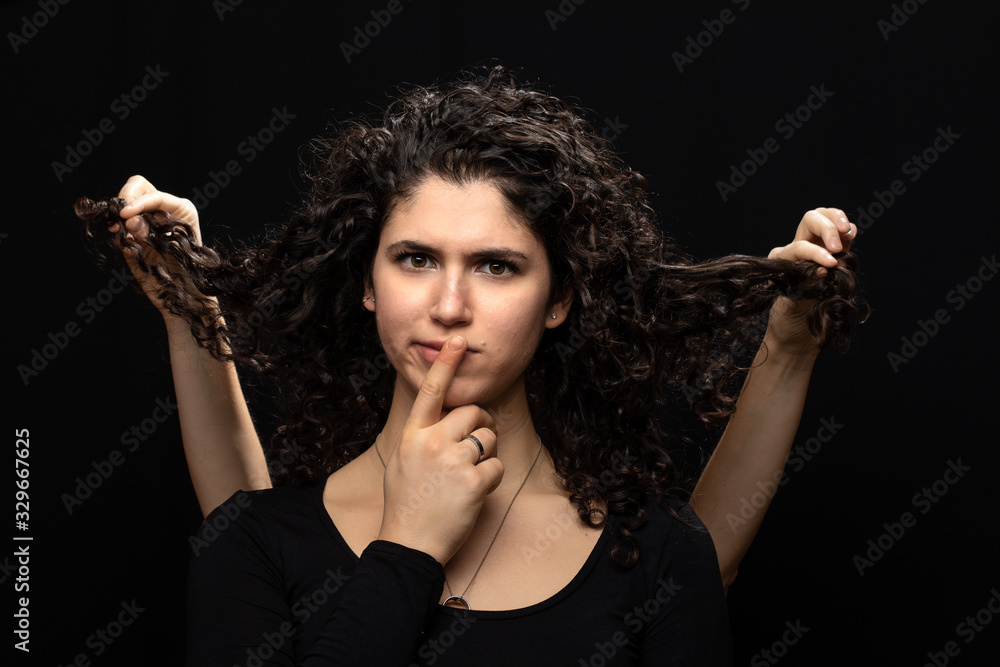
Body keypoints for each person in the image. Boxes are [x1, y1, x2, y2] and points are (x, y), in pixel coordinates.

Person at [76, 65, 862, 665]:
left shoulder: (660, 552)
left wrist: (788, 348)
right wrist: (409, 549)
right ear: (367, 284)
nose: (448, 304)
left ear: (558, 298)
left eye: (496, 266)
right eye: (415, 258)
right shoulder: (251, 543)